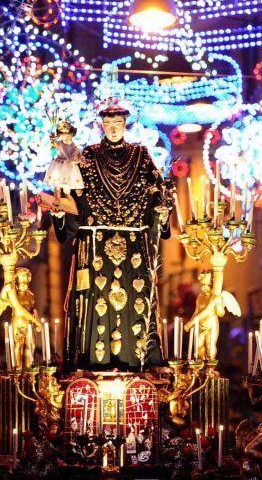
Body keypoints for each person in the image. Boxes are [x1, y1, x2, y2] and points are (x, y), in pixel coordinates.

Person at [48, 99, 172, 369]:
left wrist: (162, 214)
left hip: (133, 245)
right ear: (101, 125)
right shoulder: (87, 157)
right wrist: (60, 213)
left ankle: (137, 363)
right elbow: (74, 201)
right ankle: (92, 363)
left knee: (136, 307)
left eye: (118, 123)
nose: (113, 129)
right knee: (95, 304)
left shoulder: (141, 156)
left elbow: (158, 198)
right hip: (96, 245)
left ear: (126, 124)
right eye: (108, 124)